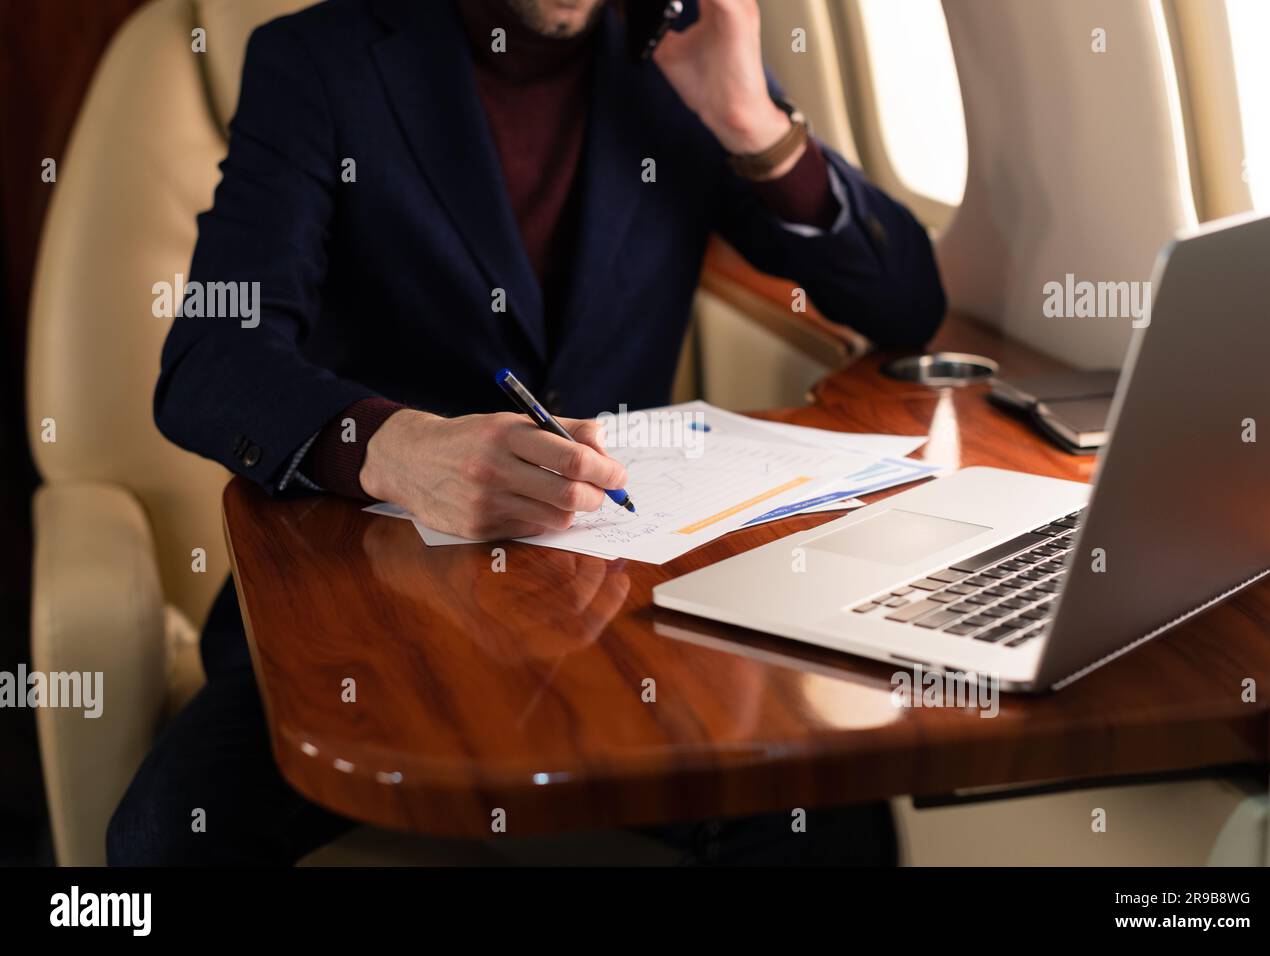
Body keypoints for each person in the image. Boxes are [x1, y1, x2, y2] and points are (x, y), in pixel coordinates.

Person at [108, 0, 943, 865]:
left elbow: (906, 303)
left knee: (835, 821)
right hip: (367, 605)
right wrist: (391, 449)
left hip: (618, 605)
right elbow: (210, 356)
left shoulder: (678, 52)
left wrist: (748, 118)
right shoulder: (318, 60)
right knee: (163, 839)